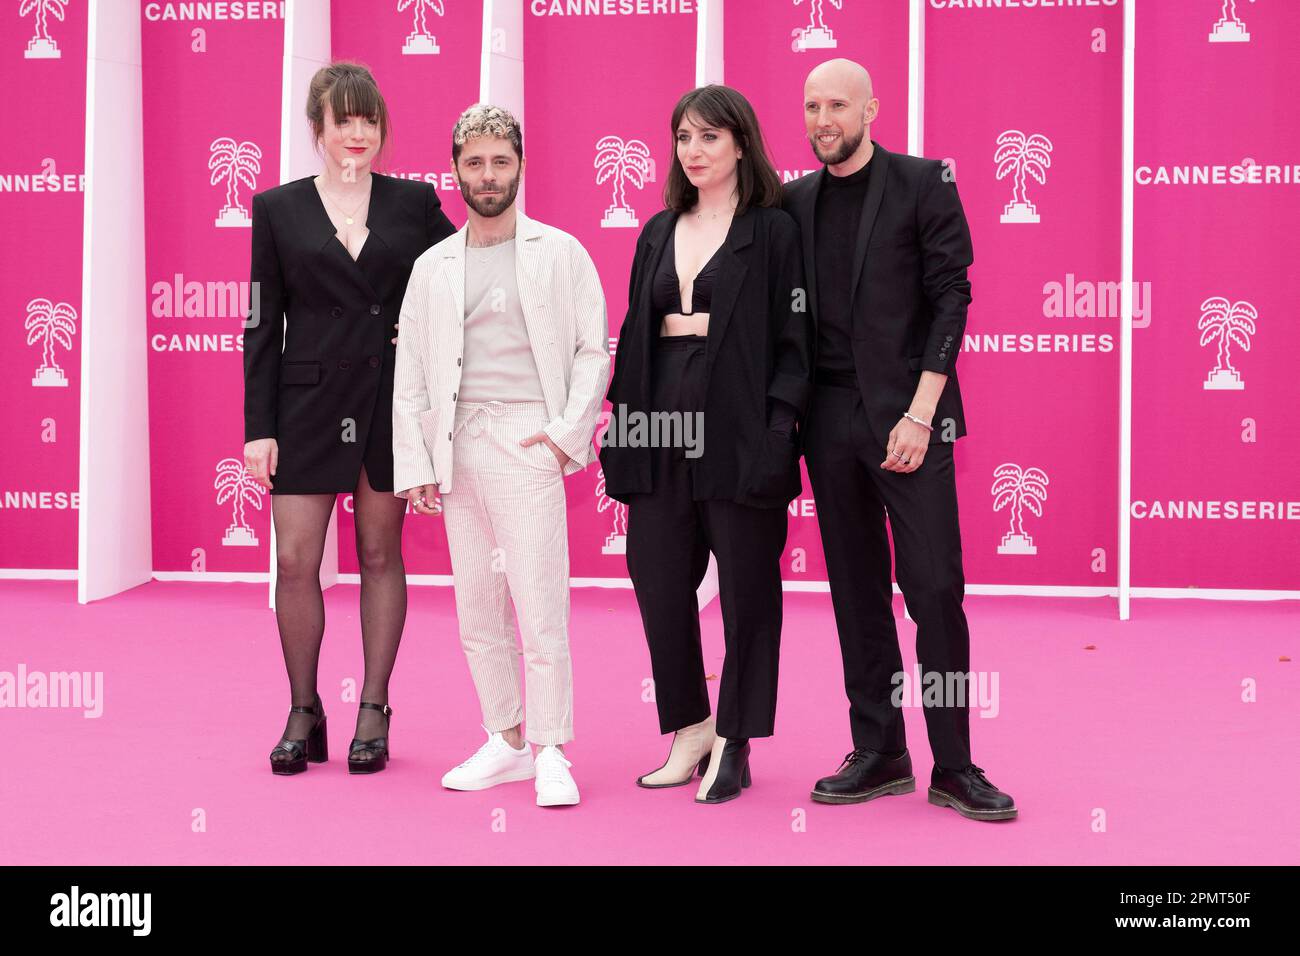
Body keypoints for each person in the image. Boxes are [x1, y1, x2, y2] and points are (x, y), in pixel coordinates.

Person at [782, 58, 1016, 820]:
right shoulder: (795, 202)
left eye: (839, 105)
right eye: (814, 105)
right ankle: (879, 750)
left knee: (936, 590)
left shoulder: (924, 182)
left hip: (913, 418)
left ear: (871, 110)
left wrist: (921, 413)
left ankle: (955, 764)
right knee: (856, 594)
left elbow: (953, 297)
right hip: (829, 422)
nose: (824, 119)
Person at [599, 85, 812, 805]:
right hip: (657, 425)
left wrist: (779, 432)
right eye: (684, 138)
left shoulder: (774, 232)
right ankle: (689, 726)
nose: (693, 151)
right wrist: (622, 428)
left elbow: (794, 345)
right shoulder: (658, 228)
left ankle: (736, 738)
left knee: (749, 589)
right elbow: (635, 335)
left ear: (741, 145)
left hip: (739, 429)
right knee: (657, 579)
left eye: (709, 138)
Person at [392, 104, 609, 808]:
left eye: (501, 161)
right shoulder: (431, 268)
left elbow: (588, 351)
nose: (488, 175)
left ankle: (551, 748)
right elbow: (412, 373)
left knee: (539, 601)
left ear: (520, 165)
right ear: (454, 169)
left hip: (527, 440)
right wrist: (419, 462)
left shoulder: (561, 252)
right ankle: (505, 739)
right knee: (476, 608)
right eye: (475, 162)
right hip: (457, 444)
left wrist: (563, 433)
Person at [243, 61, 456, 776]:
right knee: (296, 559)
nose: (357, 133)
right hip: (303, 407)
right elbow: (260, 322)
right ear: (318, 130)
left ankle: (373, 706)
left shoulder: (414, 203)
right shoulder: (276, 208)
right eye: (344, 121)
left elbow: (453, 279)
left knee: (377, 554)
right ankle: (304, 710)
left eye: (369, 120)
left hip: (386, 403)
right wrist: (257, 425)